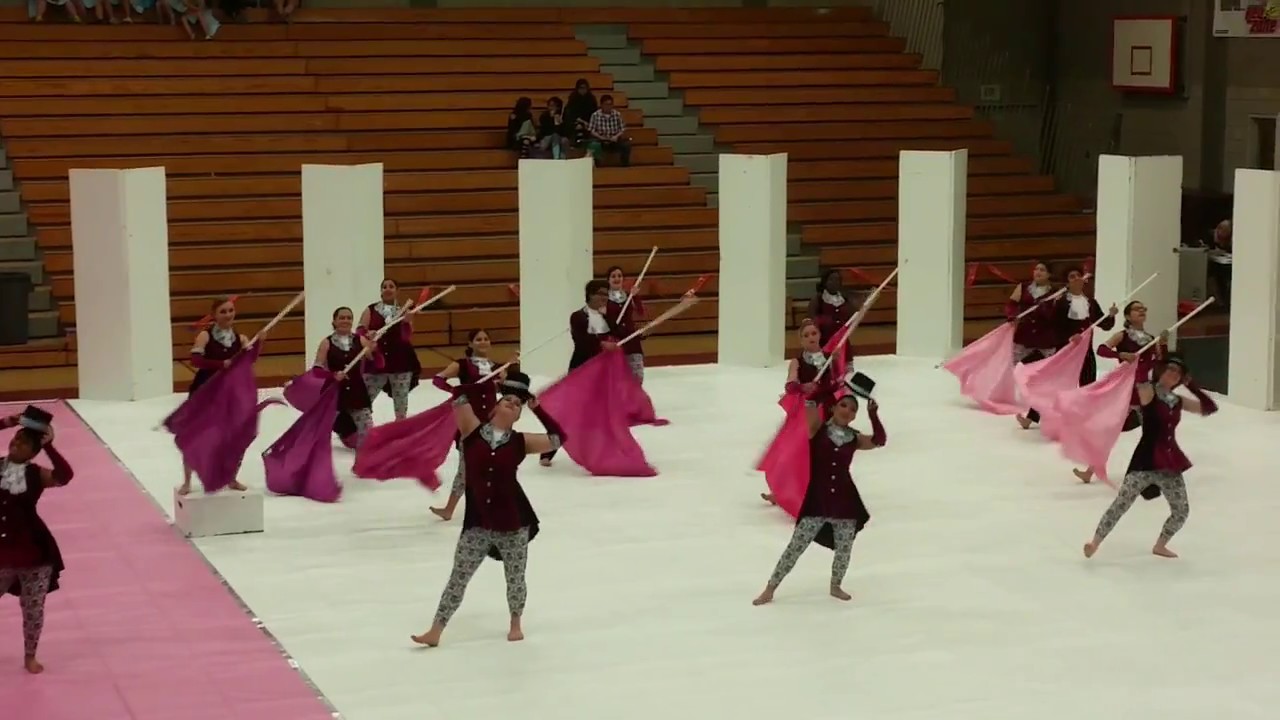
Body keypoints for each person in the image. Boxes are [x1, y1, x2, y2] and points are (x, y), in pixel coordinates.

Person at [411, 371, 564, 647]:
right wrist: (485, 383)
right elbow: (459, 398)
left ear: (518, 416)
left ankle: (515, 622)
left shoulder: (520, 441)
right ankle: (435, 630)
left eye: (517, 405)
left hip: (513, 524)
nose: (512, 404)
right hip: (478, 524)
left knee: (515, 578)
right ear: (495, 407)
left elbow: (558, 438)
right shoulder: (471, 431)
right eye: (507, 400)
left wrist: (538, 409)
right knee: (458, 577)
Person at [754, 372, 886, 605]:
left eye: (852, 409)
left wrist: (873, 415)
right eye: (843, 405)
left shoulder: (854, 439)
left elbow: (879, 440)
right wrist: (827, 386)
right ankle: (770, 587)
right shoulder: (817, 429)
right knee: (795, 547)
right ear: (834, 408)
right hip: (818, 500)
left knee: (844, 549)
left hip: (845, 503)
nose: (847, 411)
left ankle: (836, 585)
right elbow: (811, 401)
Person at [1082, 353, 1217, 559]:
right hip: (1145, 462)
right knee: (1122, 503)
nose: (1173, 374)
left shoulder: (1178, 401)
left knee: (1181, 511)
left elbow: (1209, 408)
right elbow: (1141, 378)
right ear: (1161, 371)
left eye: (1178, 373)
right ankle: (1095, 543)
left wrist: (1193, 386)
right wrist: (1143, 360)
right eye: (1170, 369)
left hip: (1170, 464)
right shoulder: (1149, 392)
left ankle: (1160, 545)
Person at [1, 406, 74, 675]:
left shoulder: (36, 474)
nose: (15, 443)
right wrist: (7, 421)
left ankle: (30, 655)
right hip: (2, 553)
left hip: (34, 553)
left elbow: (65, 476)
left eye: (23, 442)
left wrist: (51, 447)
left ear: (33, 452)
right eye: (15, 439)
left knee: (33, 610)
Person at [1072, 301, 1167, 484]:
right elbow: (1101, 349)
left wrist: (1162, 344)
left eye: (1144, 308)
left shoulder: (1150, 338)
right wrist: (1120, 355)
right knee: (1110, 430)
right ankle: (1091, 470)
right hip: (1125, 390)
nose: (1142, 311)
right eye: (1137, 309)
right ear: (1128, 316)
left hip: (1145, 389)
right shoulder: (1122, 336)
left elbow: (1160, 362)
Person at [1017, 266, 1117, 429]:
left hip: (1085, 352)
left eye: (1078, 276)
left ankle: (1084, 420)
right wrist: (1068, 338)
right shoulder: (1061, 303)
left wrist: (1111, 315)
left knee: (1087, 385)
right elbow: (1054, 327)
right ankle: (1031, 418)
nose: (1077, 279)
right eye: (1072, 277)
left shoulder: (1090, 303)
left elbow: (1105, 325)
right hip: (1065, 351)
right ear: (1067, 282)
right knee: (1052, 385)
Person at [761, 319, 839, 506]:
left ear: (819, 335)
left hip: (828, 409)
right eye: (806, 335)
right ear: (801, 341)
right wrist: (803, 387)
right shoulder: (797, 361)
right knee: (795, 454)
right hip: (808, 412)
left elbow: (836, 383)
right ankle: (783, 491)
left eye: (813, 333)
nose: (811, 337)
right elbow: (790, 385)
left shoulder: (829, 358)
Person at [540, 279, 617, 467]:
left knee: (601, 413)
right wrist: (601, 344)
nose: (604, 297)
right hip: (581, 370)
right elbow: (582, 341)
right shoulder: (578, 317)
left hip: (601, 372)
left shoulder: (609, 317)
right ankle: (550, 448)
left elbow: (620, 333)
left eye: (606, 294)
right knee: (570, 412)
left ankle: (601, 449)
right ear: (590, 294)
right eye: (600, 293)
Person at [430, 329, 503, 521]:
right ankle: (450, 508)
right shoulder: (462, 364)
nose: (483, 342)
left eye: (486, 339)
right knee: (466, 468)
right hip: (469, 422)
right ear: (470, 344)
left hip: (491, 422)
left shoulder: (495, 367)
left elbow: (501, 389)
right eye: (478, 339)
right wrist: (457, 391)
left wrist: (503, 379)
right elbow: (438, 379)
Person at [181, 296, 250, 495]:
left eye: (230, 310)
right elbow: (195, 359)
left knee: (235, 437)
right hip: (206, 391)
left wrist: (258, 344)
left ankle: (232, 478)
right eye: (223, 311)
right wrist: (220, 364)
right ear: (214, 315)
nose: (228, 315)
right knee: (195, 436)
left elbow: (249, 360)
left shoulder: (241, 338)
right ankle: (187, 481)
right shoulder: (205, 336)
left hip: (229, 393)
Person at [359, 279, 421, 422]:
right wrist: (367, 336)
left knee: (401, 402)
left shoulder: (405, 311)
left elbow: (406, 337)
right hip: (375, 360)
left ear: (397, 291)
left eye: (391, 286)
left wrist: (406, 323)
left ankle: (400, 430)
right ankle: (360, 429)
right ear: (381, 291)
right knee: (364, 399)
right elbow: (360, 330)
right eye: (384, 287)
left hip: (400, 361)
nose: (387, 289)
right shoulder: (371, 309)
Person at [314, 307, 376, 448]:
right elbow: (316, 370)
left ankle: (363, 464)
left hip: (357, 393)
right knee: (321, 434)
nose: (345, 321)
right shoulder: (326, 343)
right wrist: (333, 375)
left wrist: (375, 350)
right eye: (342, 318)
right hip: (334, 394)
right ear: (334, 321)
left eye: (349, 318)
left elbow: (376, 364)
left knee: (367, 430)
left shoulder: (360, 340)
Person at [604, 265, 647, 383]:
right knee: (617, 378)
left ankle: (635, 400)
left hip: (631, 340)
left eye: (619, 276)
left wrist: (636, 296)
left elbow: (641, 313)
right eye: (613, 276)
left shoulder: (630, 296)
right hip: (615, 341)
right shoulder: (604, 299)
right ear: (608, 280)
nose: (617, 278)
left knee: (636, 377)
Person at [808, 269, 854, 347]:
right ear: (825, 282)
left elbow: (850, 318)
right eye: (831, 279)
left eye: (837, 280)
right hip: (823, 342)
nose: (834, 282)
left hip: (841, 342)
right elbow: (811, 320)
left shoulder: (845, 299)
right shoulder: (818, 299)